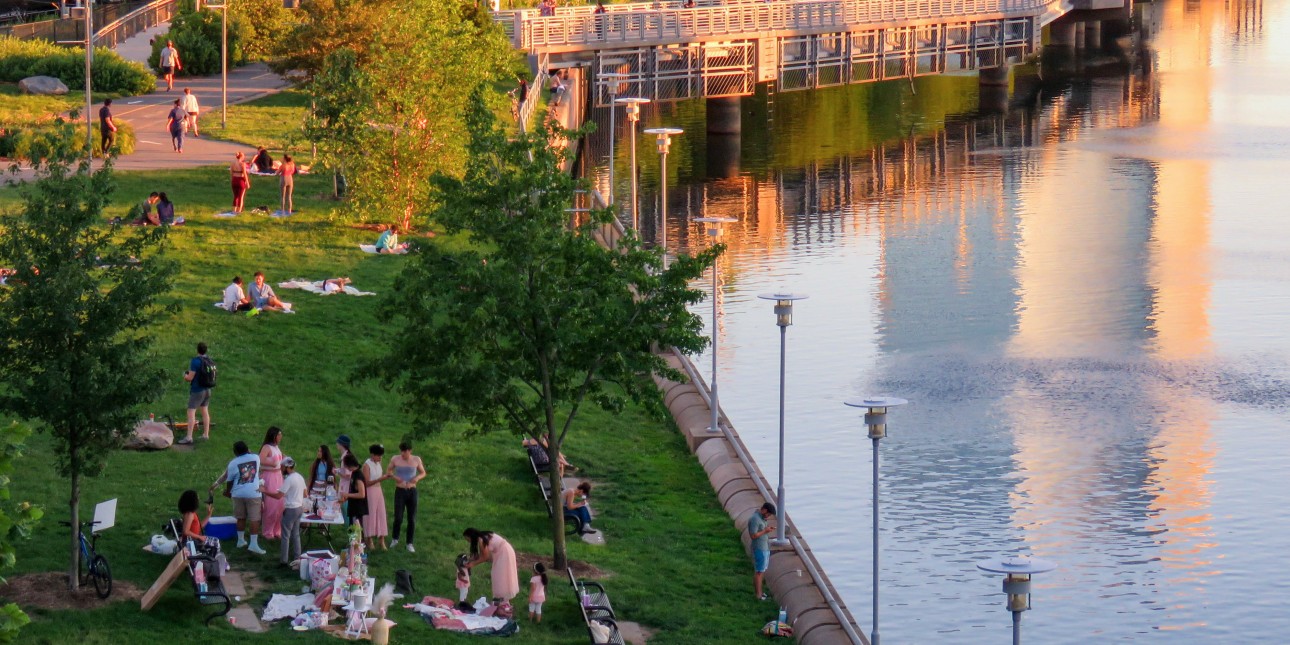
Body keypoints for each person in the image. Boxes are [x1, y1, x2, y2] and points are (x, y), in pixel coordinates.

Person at [262, 455, 306, 566]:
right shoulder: (299, 477)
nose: (280, 469)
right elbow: (305, 493)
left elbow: (278, 496)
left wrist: (264, 491)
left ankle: (283, 560)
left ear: (287, 467)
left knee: (285, 536)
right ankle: (298, 558)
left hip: (291, 509)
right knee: (296, 534)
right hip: (299, 508)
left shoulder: (289, 479)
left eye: (282, 467)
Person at [224, 440, 267, 554]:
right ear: (247, 449)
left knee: (241, 517)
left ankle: (241, 540)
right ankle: (253, 544)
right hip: (253, 492)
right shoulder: (256, 458)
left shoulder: (233, 463)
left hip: (238, 493)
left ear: (235, 452)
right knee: (254, 518)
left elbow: (230, 481)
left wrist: (228, 492)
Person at [463, 528, 519, 603]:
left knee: (501, 576)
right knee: (499, 575)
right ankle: (503, 601)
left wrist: (473, 564)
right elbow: (482, 554)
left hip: (504, 553)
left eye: (468, 539)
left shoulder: (481, 540)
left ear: (471, 537)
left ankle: (502, 600)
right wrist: (471, 560)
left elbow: (485, 557)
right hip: (504, 552)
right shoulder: (483, 536)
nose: (468, 542)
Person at [388, 441, 425, 553]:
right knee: (398, 517)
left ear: (410, 451)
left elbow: (423, 472)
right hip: (400, 490)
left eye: (405, 452)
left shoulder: (416, 460)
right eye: (401, 451)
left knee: (411, 518)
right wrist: (395, 477)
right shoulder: (396, 459)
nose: (403, 454)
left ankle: (409, 543)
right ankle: (395, 538)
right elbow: (389, 471)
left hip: (412, 490)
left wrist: (417, 478)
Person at [179, 342, 214, 444]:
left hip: (197, 390)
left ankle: (189, 437)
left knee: (191, 412)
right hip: (208, 389)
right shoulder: (209, 360)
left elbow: (190, 378)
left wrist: (185, 375)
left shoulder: (195, 361)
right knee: (205, 411)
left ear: (197, 350)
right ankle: (205, 434)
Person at [258, 426, 285, 540]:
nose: (280, 437)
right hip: (269, 476)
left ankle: (277, 530)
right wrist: (272, 462)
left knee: (280, 504)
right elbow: (260, 460)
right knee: (271, 505)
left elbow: (280, 459)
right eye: (278, 434)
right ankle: (267, 531)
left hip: (278, 476)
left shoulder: (276, 448)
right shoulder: (266, 447)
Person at [362, 444, 389, 550]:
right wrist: (380, 479)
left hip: (378, 490)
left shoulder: (378, 463)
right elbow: (367, 482)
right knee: (371, 514)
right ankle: (369, 538)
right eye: (378, 455)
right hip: (370, 491)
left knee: (381, 513)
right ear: (372, 455)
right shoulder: (366, 465)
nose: (380, 458)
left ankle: (382, 539)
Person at [748, 502, 776, 600]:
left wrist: (766, 529)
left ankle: (760, 593)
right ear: (763, 510)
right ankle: (758, 595)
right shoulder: (755, 519)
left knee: (762, 570)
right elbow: (753, 535)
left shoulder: (761, 518)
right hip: (759, 548)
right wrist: (765, 531)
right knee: (759, 572)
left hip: (764, 547)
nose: (768, 516)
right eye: (768, 514)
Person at [340, 454, 368, 536]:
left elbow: (362, 494)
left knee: (356, 528)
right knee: (352, 527)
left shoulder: (358, 476)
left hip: (357, 507)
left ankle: (356, 546)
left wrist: (347, 495)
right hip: (353, 506)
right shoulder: (354, 473)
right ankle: (352, 545)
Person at [336, 435, 353, 523]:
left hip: (346, 488)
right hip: (346, 487)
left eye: (338, 443)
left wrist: (337, 471)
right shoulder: (346, 456)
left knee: (348, 515)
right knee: (347, 514)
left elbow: (347, 474)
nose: (337, 445)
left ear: (341, 444)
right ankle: (352, 535)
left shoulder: (346, 458)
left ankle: (353, 535)